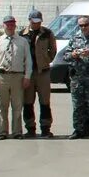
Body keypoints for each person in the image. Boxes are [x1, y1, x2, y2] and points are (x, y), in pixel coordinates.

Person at [0, 15, 33, 140]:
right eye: (7, 24)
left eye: (12, 24)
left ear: (15, 25)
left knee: (17, 105)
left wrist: (27, 76)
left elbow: (28, 60)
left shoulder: (22, 42)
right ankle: (2, 131)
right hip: (2, 76)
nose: (10, 26)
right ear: (3, 25)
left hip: (18, 76)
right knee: (2, 105)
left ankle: (17, 131)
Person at [21, 9, 57, 138]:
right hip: (28, 74)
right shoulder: (22, 34)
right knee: (28, 101)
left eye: (38, 22)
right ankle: (30, 128)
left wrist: (46, 60)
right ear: (29, 20)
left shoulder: (47, 33)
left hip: (43, 72)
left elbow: (53, 50)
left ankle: (45, 128)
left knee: (45, 101)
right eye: (34, 21)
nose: (36, 24)